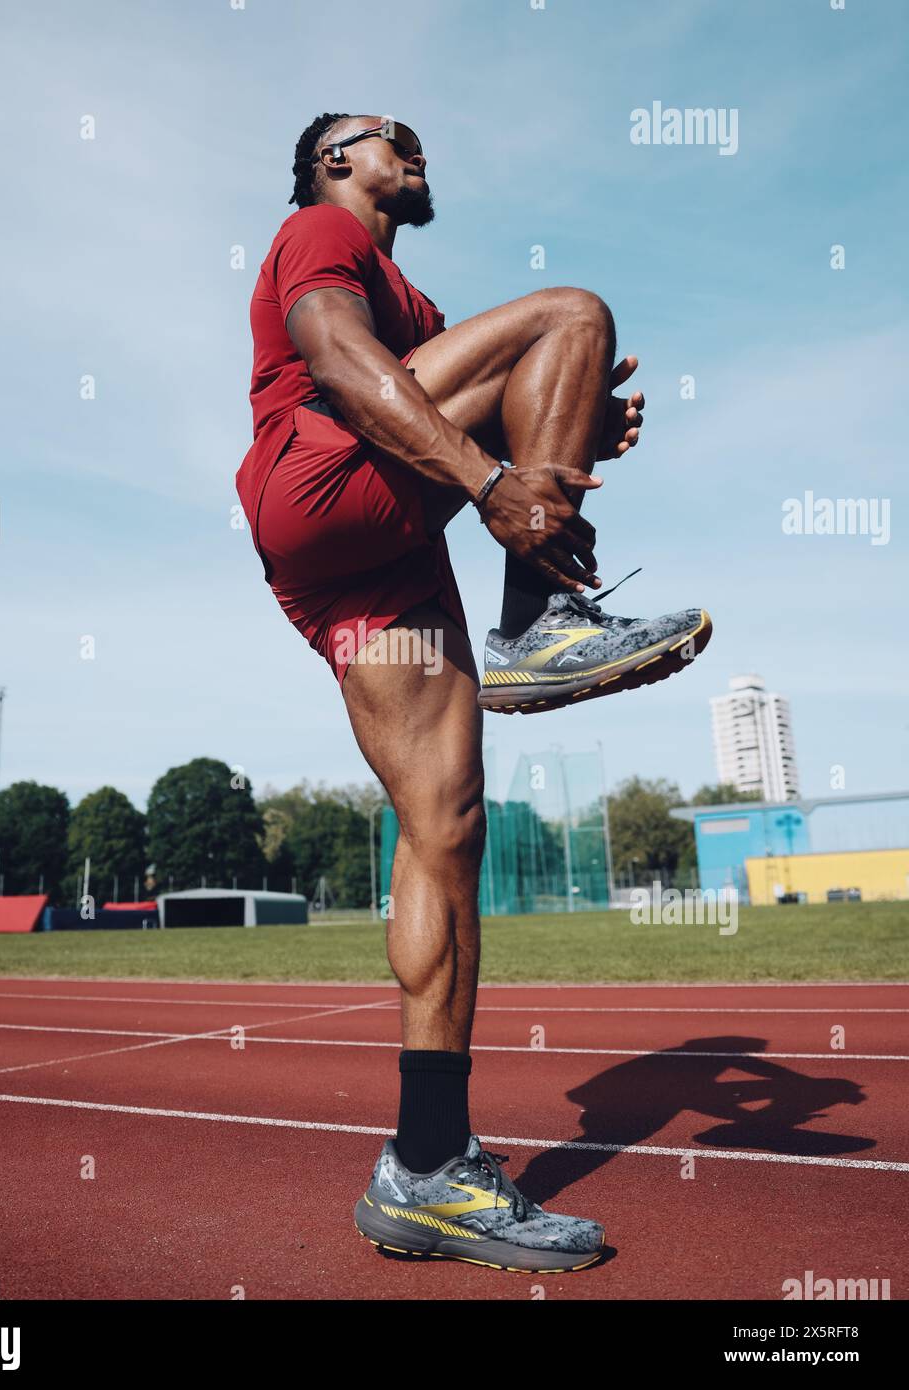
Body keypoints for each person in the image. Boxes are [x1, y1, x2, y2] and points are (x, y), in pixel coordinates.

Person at [236, 112, 712, 1273]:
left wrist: (571, 423)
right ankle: (539, 625)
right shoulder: (318, 233)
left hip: (370, 559)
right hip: (319, 479)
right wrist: (499, 478)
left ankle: (427, 1167)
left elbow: (480, 401)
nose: (416, 152)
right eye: (387, 136)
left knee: (444, 826)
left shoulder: (426, 315)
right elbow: (345, 365)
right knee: (572, 312)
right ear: (331, 161)